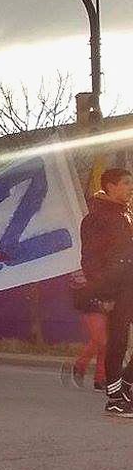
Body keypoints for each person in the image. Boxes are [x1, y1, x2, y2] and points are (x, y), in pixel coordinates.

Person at [79, 167, 133, 417]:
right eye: (125, 183)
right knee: (118, 343)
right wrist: (103, 294)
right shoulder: (96, 218)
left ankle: (127, 389)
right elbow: (90, 260)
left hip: (130, 286)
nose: (130, 188)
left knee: (121, 342)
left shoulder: (124, 216)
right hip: (114, 290)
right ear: (110, 186)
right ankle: (114, 398)